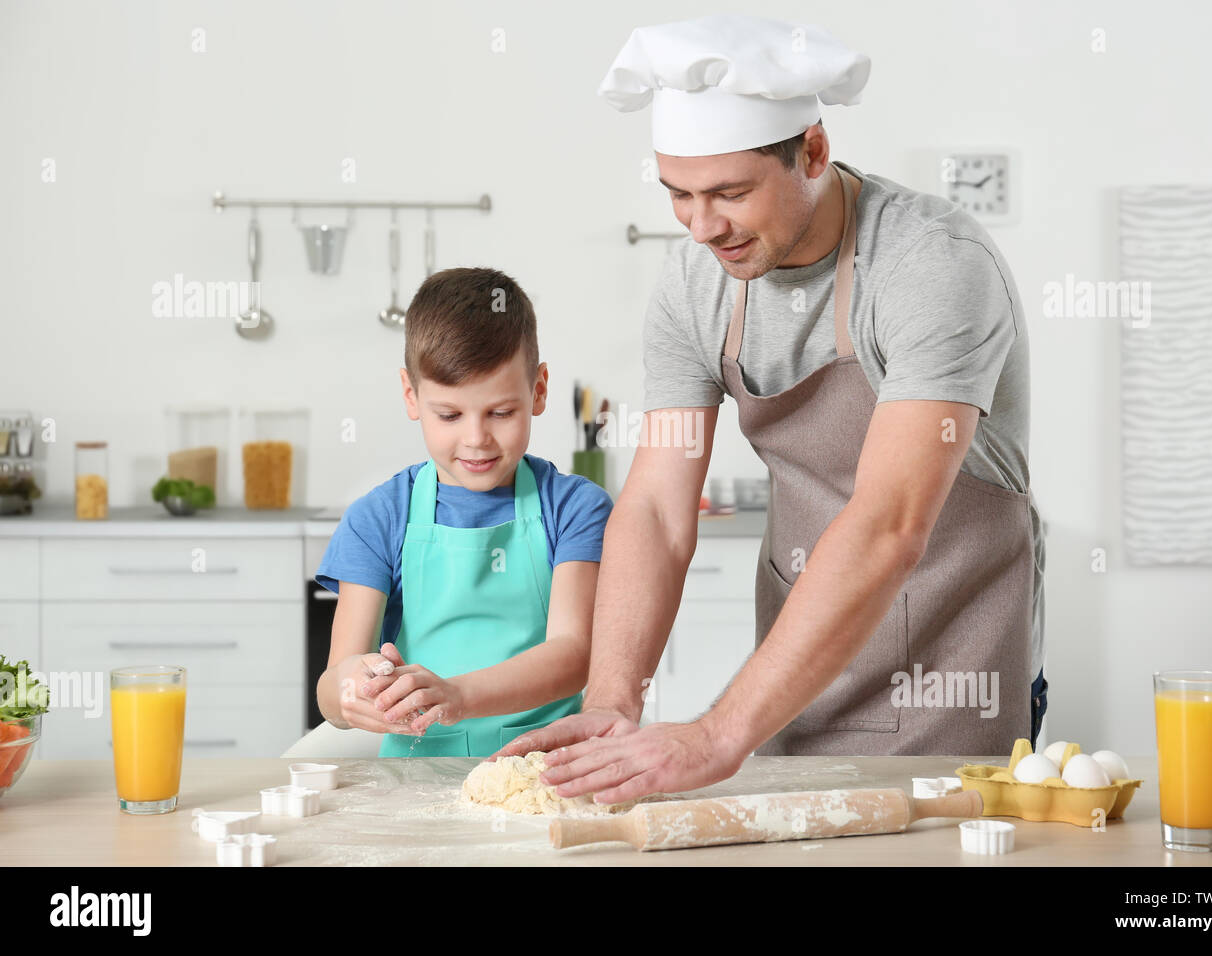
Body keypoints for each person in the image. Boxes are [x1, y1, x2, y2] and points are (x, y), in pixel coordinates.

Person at [498, 14, 1047, 803]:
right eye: (679, 195)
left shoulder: (931, 266)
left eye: (729, 193)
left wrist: (717, 736)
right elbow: (656, 508)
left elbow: (890, 523)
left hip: (956, 676)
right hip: (794, 679)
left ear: (813, 153)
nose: (702, 225)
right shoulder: (694, 286)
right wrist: (614, 700)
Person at [314, 267, 612, 757]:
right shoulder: (379, 517)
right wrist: (350, 691)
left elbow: (573, 655)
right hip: (415, 781)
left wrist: (457, 696)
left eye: (501, 412)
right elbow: (332, 688)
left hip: (545, 768)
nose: (476, 438)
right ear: (411, 396)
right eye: (449, 415)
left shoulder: (575, 509)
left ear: (538, 390)